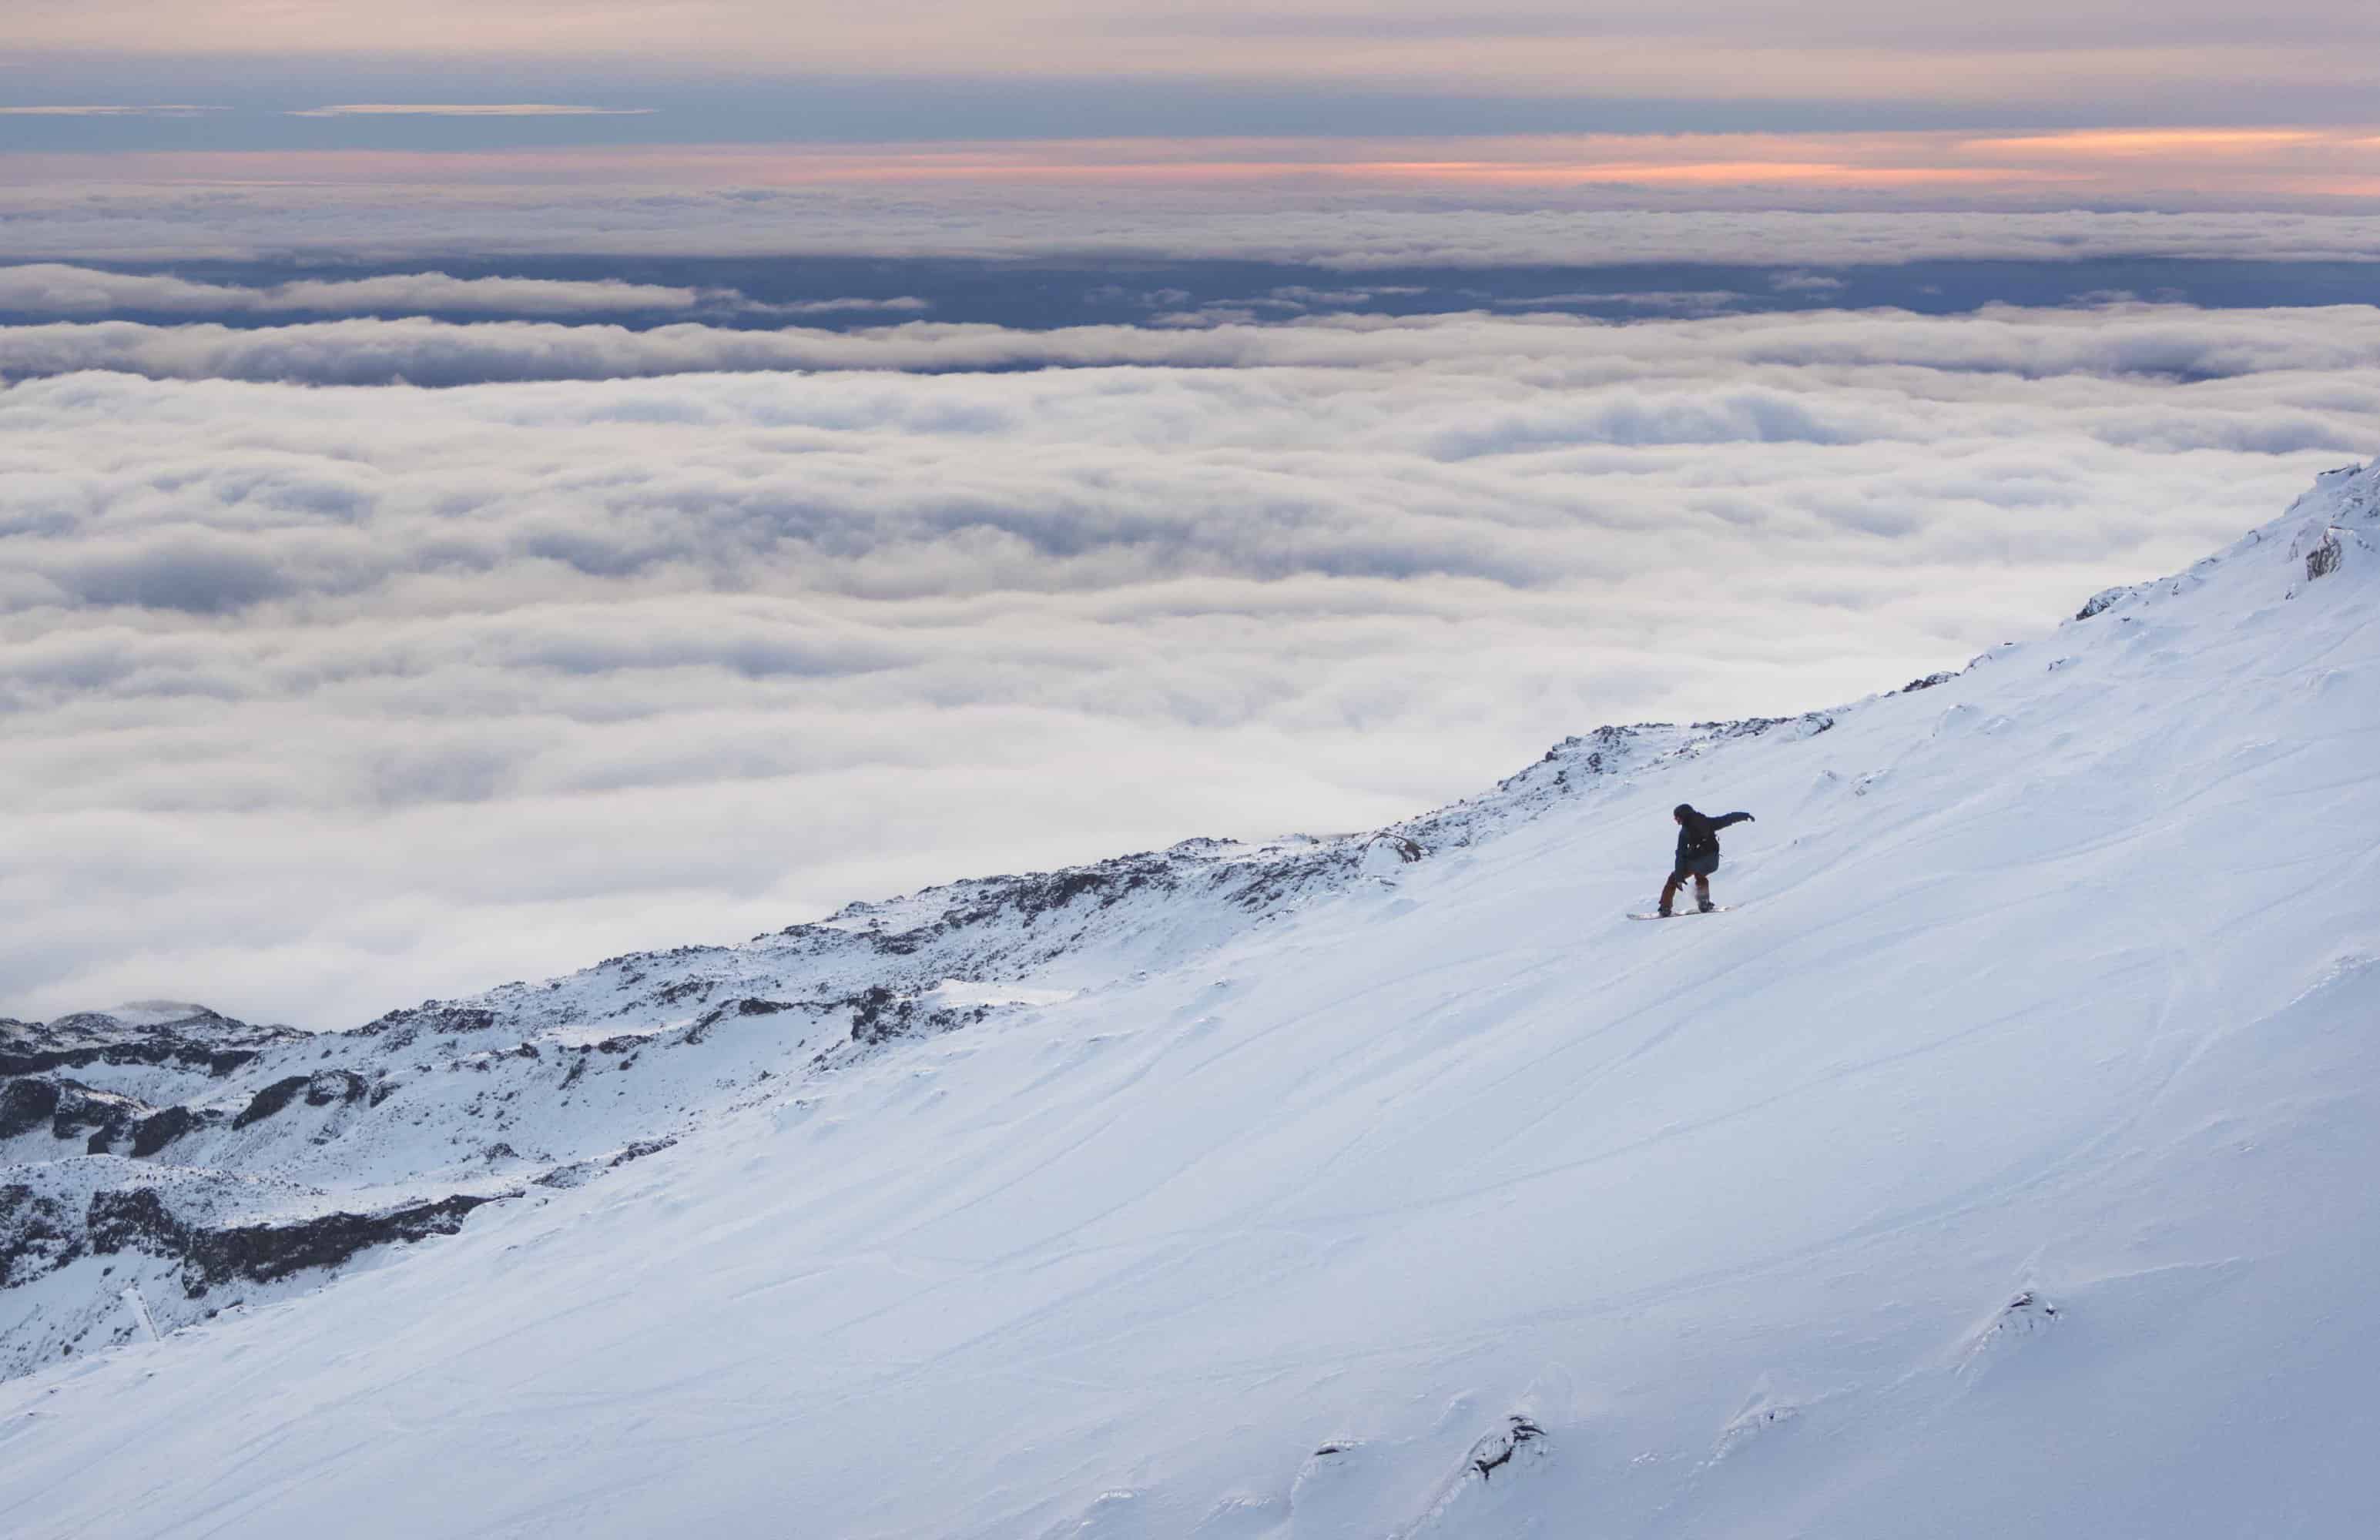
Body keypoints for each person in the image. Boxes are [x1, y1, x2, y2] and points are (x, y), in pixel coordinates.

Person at [1659, 803, 1754, 916]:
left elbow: (1680, 855)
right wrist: (1744, 815)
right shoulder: (1708, 822)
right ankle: (1704, 902)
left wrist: (1679, 877)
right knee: (1700, 874)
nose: (1676, 821)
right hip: (1713, 863)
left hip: (1697, 863)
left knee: (1673, 879)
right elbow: (1727, 819)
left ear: (1683, 816)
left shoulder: (1685, 832)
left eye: (1677, 818)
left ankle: (1665, 907)